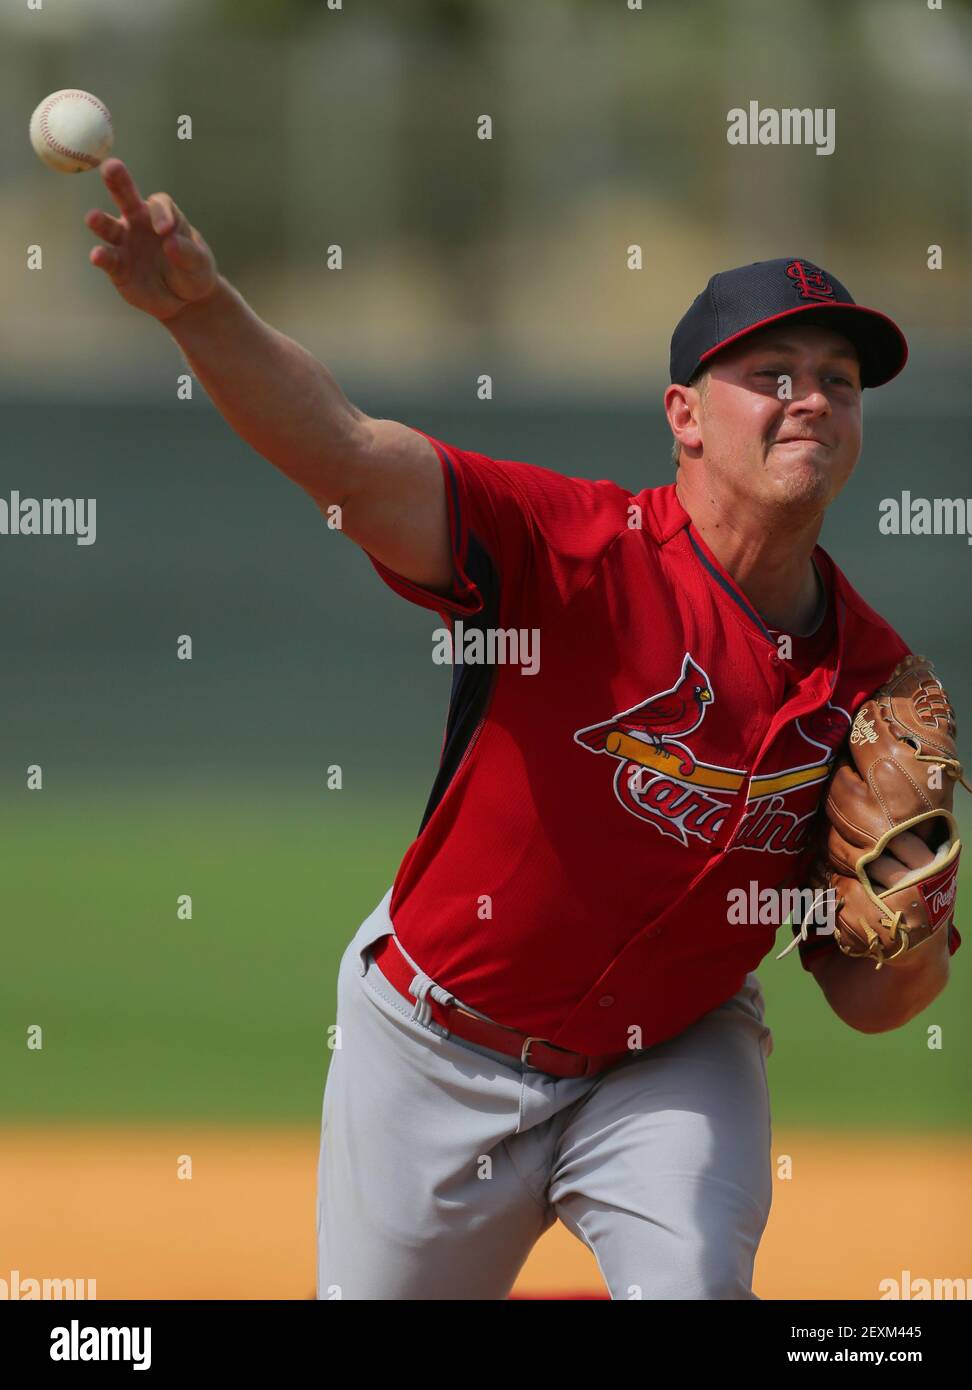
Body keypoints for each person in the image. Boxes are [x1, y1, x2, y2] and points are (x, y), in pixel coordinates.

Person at [86, 160, 960, 1300]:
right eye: (772, 373)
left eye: (839, 381)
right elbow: (345, 457)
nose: (813, 398)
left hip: (674, 1056)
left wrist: (918, 919)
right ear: (684, 417)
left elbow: (871, 998)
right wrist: (199, 310)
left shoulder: (879, 686)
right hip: (435, 1047)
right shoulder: (570, 554)